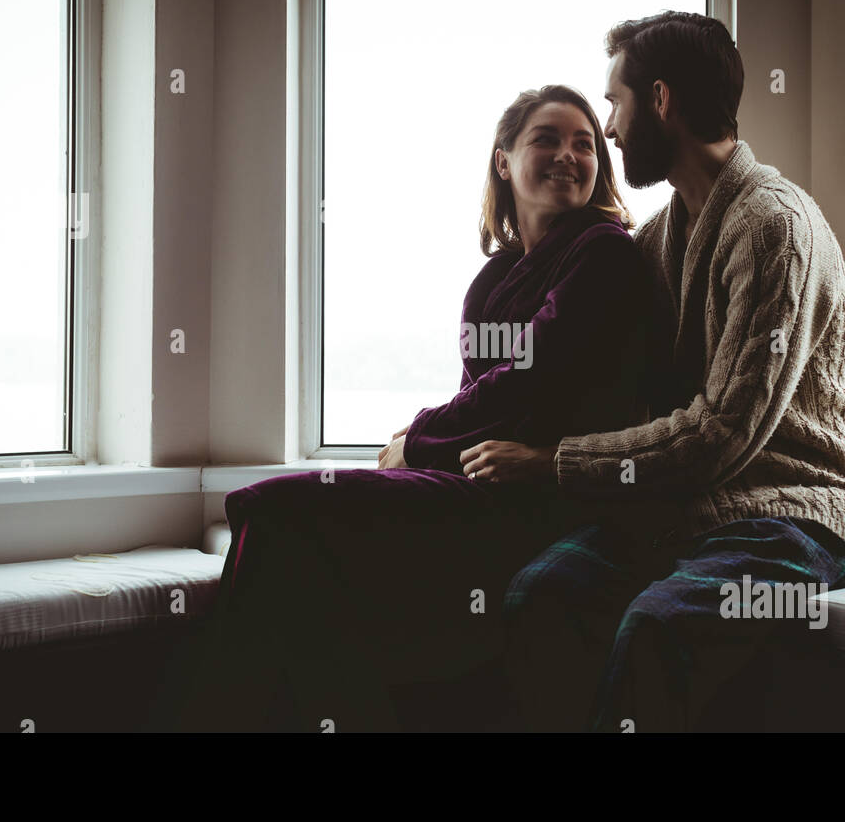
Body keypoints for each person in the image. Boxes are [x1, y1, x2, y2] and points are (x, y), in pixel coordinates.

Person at [158, 84, 655, 732]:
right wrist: (423, 445)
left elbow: (532, 370)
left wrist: (417, 443)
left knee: (277, 509)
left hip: (545, 501)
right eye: (547, 139)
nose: (569, 155)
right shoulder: (493, 280)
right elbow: (484, 402)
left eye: (585, 144)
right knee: (293, 558)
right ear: (504, 160)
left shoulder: (603, 251)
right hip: (480, 484)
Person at [474, 11, 845, 732]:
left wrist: (550, 462)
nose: (608, 129)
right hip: (690, 511)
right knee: (541, 593)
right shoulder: (663, 237)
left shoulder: (772, 227)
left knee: (657, 628)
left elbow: (721, 433)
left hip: (791, 512)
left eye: (614, 104)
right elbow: (583, 341)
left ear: (659, 100)